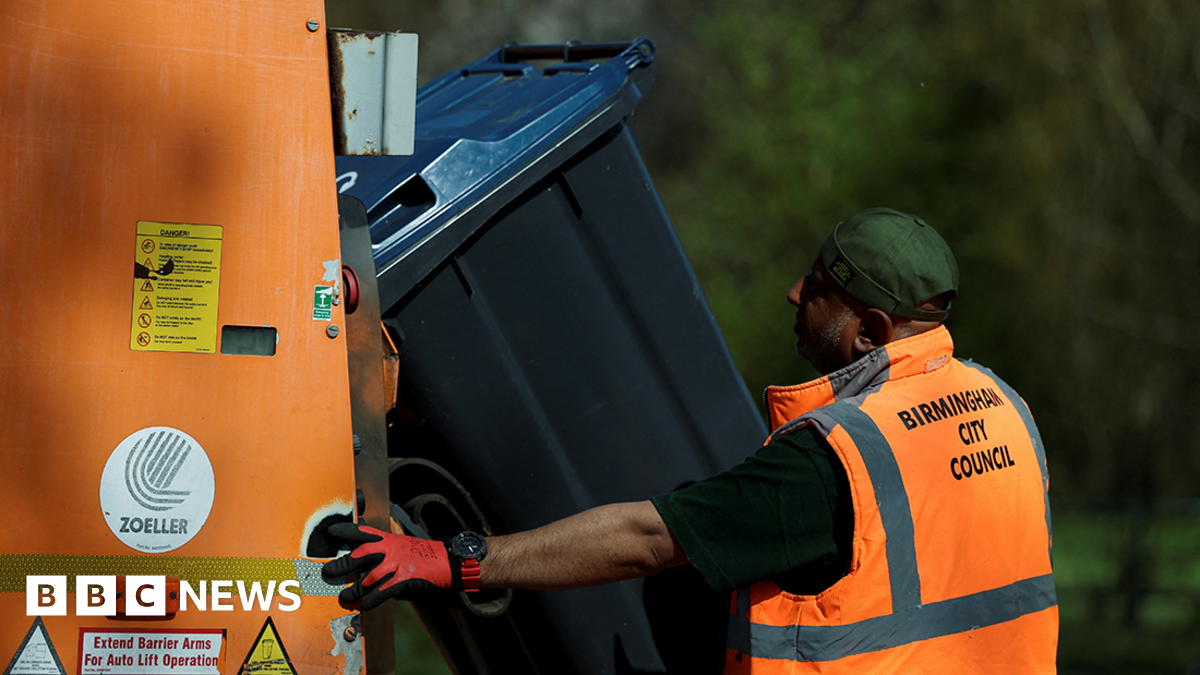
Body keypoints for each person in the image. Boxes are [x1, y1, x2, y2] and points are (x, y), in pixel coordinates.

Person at [324, 208, 1058, 673]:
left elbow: (645, 537)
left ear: (868, 329)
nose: (795, 296)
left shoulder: (840, 458)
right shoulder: (1004, 408)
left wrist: (458, 561)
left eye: (820, 287)